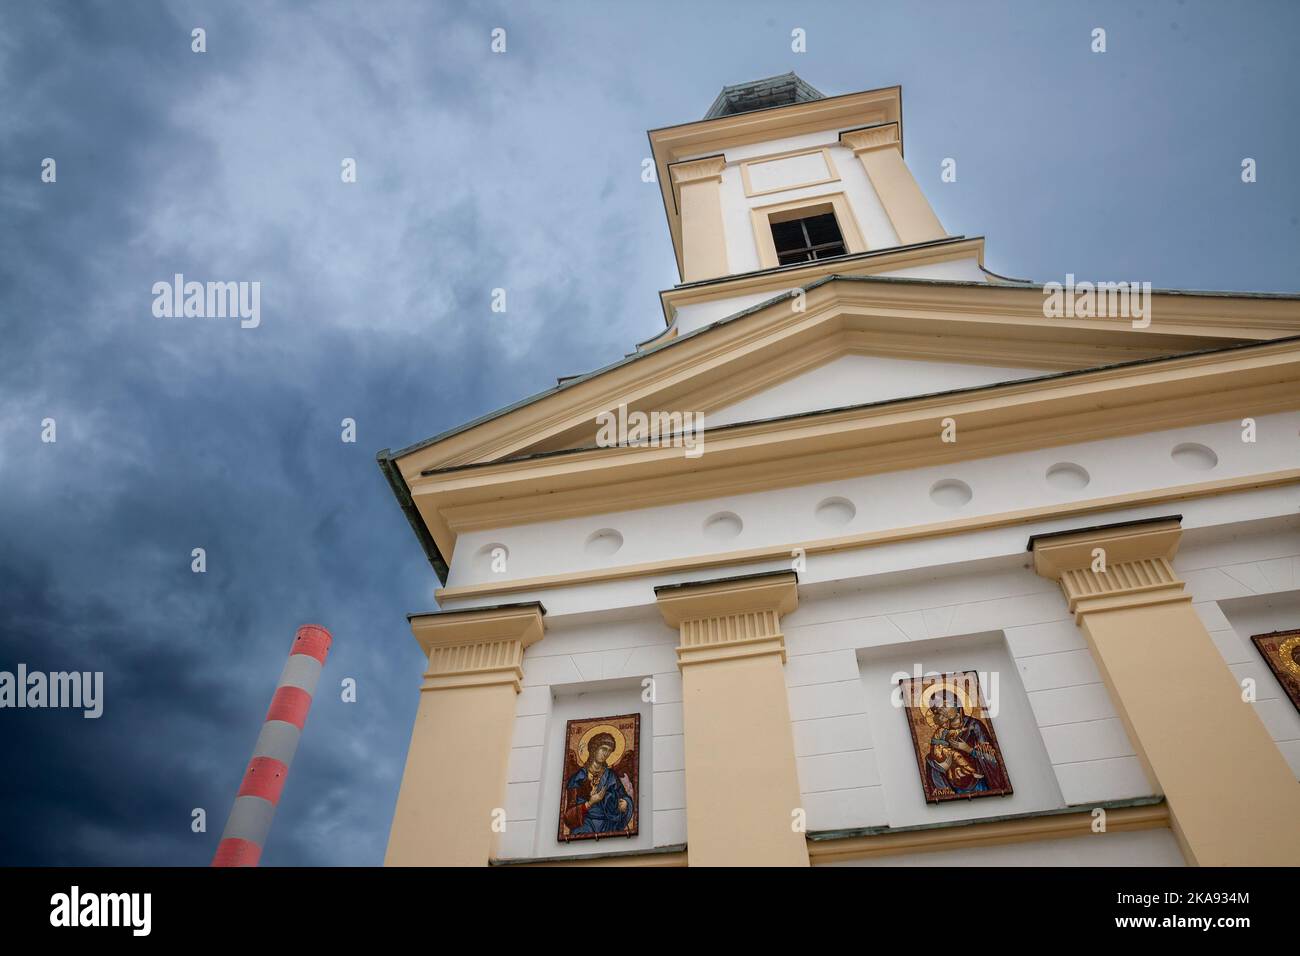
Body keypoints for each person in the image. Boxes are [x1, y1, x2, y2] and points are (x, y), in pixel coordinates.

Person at [562, 732, 634, 836]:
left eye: (609, 751)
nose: (606, 754)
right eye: (604, 749)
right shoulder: (578, 778)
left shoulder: (611, 776)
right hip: (585, 824)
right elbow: (568, 816)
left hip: (608, 823)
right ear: (594, 748)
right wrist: (590, 803)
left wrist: (626, 803)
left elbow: (624, 796)